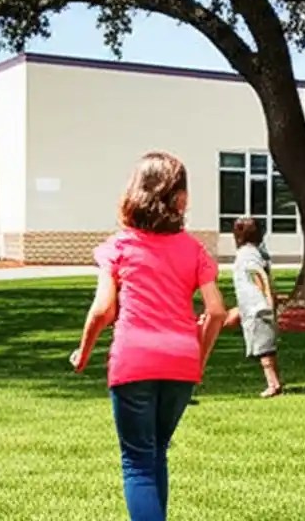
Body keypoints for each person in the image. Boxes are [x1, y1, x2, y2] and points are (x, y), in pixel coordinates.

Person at [69, 151, 229, 521]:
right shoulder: (194, 249)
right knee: (156, 451)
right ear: (180, 198)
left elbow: (103, 309)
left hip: (134, 361)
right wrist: (199, 359)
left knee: (138, 462)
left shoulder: (120, 247)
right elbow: (217, 311)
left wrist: (84, 352)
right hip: (181, 363)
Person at [230, 217, 283, 397]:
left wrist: (267, 298)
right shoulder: (257, 252)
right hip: (252, 306)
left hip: (257, 307)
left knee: (264, 349)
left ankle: (273, 384)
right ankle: (276, 382)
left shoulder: (247, 254)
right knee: (267, 346)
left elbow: (258, 275)